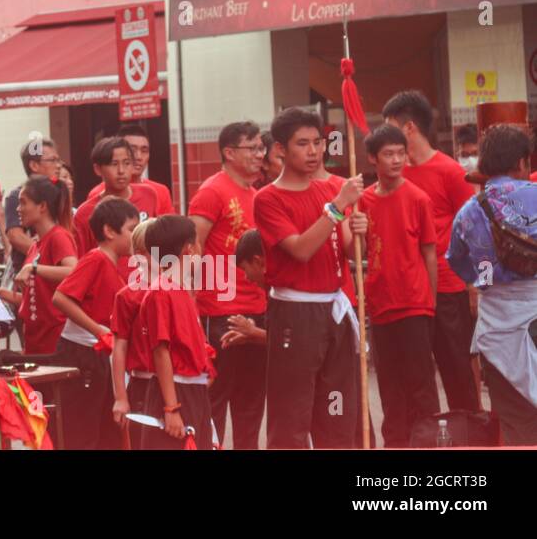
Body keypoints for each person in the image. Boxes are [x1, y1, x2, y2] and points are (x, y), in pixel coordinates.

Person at [254, 107, 366, 449]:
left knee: (337, 407)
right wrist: (336, 209)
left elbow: (346, 250)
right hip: (296, 313)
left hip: (334, 308)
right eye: (303, 144)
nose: (314, 151)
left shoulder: (326, 191)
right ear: (280, 150)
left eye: (318, 142)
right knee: (293, 412)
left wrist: (359, 230)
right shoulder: (268, 198)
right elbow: (301, 250)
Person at [382, 90, 480, 411]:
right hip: (411, 294)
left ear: (409, 128)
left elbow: (472, 231)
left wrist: (474, 288)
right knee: (416, 379)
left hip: (449, 290)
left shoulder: (451, 171)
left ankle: (471, 440)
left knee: (458, 374)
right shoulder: (395, 176)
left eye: (391, 127)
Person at [448, 125, 537, 445]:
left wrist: (486, 280)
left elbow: (458, 262)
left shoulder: (469, 212)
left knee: (516, 421)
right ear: (523, 162)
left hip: (497, 325)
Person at [358, 124, 440, 448]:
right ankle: (395, 444)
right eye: (388, 154)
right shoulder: (363, 201)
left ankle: (430, 441)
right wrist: (357, 230)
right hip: (380, 305)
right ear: (372, 159)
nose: (395, 160)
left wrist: (430, 300)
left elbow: (429, 253)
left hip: (415, 303)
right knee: (389, 385)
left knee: (421, 383)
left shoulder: (418, 198)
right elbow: (359, 251)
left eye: (400, 153)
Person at [188, 121, 267, 450]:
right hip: (220, 313)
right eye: (253, 148)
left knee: (251, 405)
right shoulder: (212, 191)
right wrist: (192, 308)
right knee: (216, 403)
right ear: (229, 152)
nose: (259, 155)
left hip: (257, 309)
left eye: (261, 148)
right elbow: (191, 250)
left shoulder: (257, 194)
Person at [52, 197, 139, 449]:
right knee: (84, 429)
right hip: (82, 353)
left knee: (105, 429)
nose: (136, 236)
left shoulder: (114, 264)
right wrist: (97, 329)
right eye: (132, 230)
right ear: (109, 231)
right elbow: (61, 297)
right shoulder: (95, 259)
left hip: (101, 354)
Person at [133, 214, 216, 450]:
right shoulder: (161, 292)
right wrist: (171, 408)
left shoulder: (181, 290)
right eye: (198, 243)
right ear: (189, 249)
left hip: (192, 389)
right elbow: (161, 352)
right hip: (176, 392)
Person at [0, 175, 77, 355]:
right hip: (35, 338)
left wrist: (33, 268)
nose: (18, 209)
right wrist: (0, 293)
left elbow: (73, 271)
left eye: (23, 203)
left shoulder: (58, 237)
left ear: (42, 207)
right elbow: (32, 299)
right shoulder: (35, 245)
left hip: (54, 338)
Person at [73, 137, 162, 258]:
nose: (121, 171)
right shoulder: (85, 213)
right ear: (98, 169)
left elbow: (157, 240)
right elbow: (82, 260)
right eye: (114, 164)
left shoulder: (149, 194)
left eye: (126, 163)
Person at [110, 218, 154, 438]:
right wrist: (120, 397)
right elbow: (119, 346)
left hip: (175, 384)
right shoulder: (127, 296)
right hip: (142, 383)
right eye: (150, 251)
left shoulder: (179, 291)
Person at [4, 137, 63, 274]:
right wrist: (46, 256)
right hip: (29, 273)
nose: (58, 165)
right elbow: (16, 237)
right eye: (52, 160)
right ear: (34, 166)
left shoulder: (60, 193)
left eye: (58, 160)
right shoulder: (17, 196)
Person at [119, 122, 175, 213]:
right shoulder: (102, 192)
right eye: (132, 150)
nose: (138, 157)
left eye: (144, 151)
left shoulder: (160, 191)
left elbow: (170, 226)